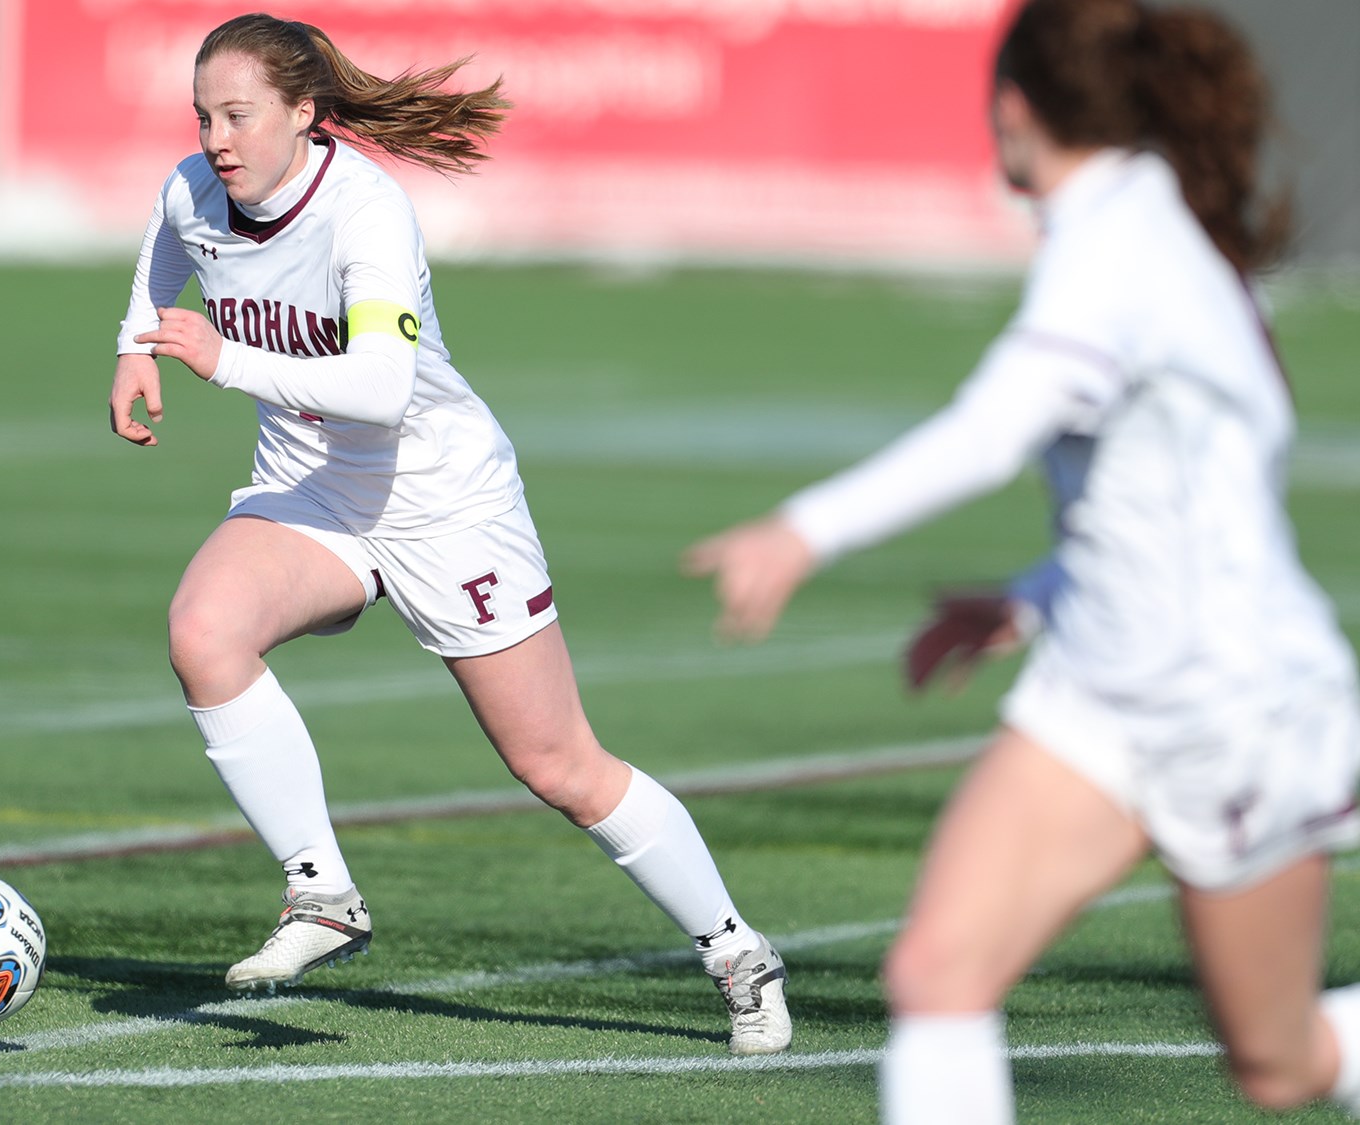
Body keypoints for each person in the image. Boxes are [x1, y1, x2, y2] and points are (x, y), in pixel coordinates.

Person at [686, 0, 1360, 1116]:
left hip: (1231, 705)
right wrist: (1036, 597)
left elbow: (994, 431)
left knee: (1279, 1065)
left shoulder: (1123, 246)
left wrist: (803, 526)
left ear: (1011, 107)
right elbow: (1155, 499)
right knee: (936, 976)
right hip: (1097, 697)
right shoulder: (1136, 227)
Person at [109, 13, 790, 1054]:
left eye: (238, 114)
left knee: (557, 765)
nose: (214, 138)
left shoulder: (366, 213)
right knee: (202, 630)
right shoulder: (193, 189)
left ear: (304, 112)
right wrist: (136, 344)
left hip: (441, 501)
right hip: (313, 494)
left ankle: (735, 949)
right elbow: (166, 250)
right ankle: (320, 893)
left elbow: (380, 389)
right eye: (202, 116)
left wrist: (221, 362)